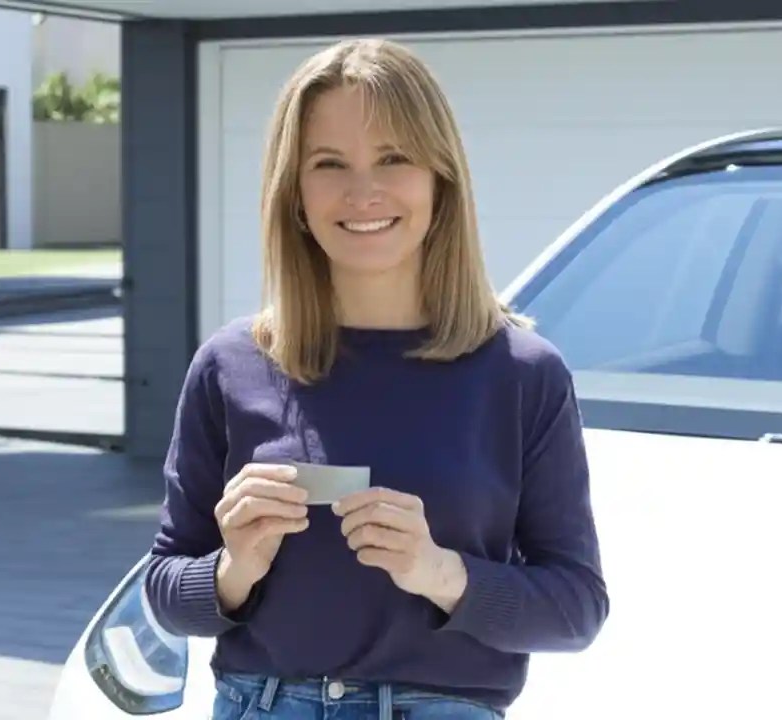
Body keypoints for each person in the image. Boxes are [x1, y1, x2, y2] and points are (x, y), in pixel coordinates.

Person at [141, 37, 609, 720]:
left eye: (394, 157)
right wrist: (233, 569)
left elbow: (577, 609)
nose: (364, 192)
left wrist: (440, 573)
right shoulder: (230, 364)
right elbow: (161, 586)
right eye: (329, 164)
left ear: (439, 178)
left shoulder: (523, 374)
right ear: (294, 194)